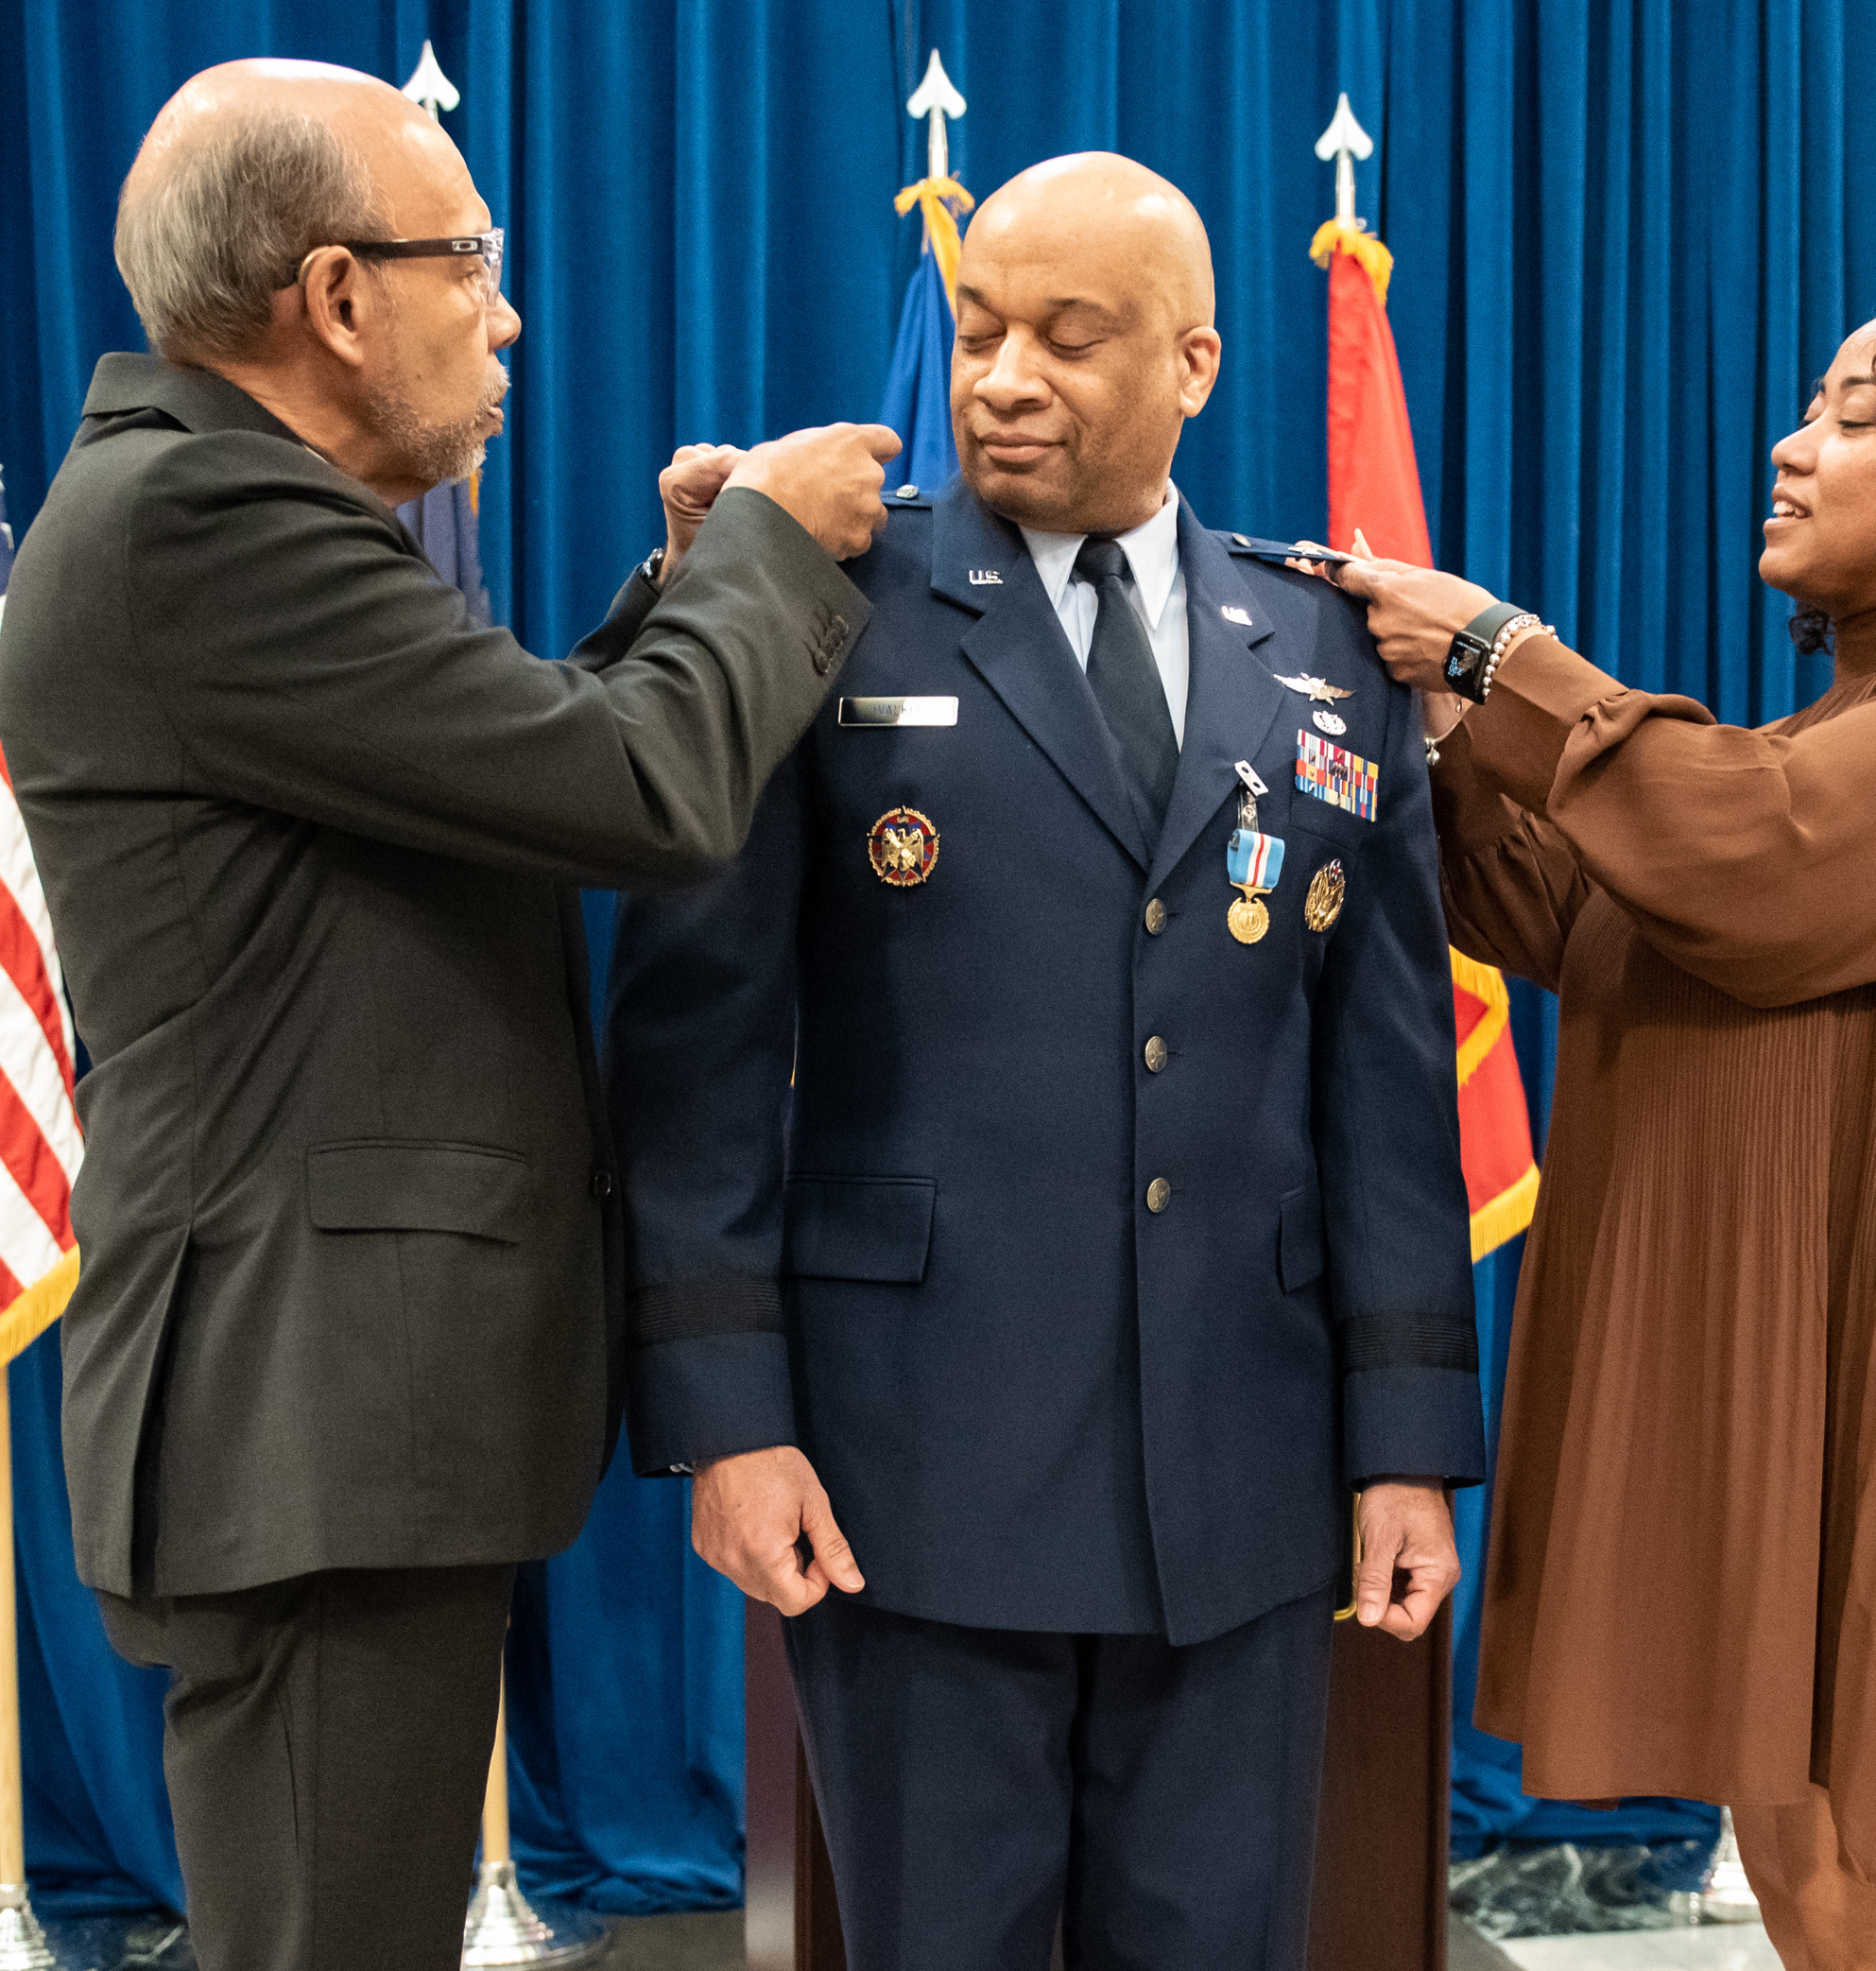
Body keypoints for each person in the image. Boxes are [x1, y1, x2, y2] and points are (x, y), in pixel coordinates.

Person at [0, 59, 899, 1971]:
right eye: (471, 260)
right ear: (333, 295)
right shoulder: (199, 523)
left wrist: (687, 582)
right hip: (307, 1412)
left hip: (340, 1414)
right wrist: (769, 554)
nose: (505, 313)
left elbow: (510, 771)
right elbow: (637, 792)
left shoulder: (224, 507)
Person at [605, 153, 1480, 1971]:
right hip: (908, 1465)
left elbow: (1383, 1089)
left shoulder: (1323, 643)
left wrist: (1405, 1444)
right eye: (985, 326)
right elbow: (698, 1040)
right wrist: (726, 1423)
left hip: (1241, 1477)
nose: (1003, 375)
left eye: (1069, 339)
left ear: (1196, 364)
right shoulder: (824, 603)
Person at [1328, 245, 1876, 1963]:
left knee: (1874, 1883)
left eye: (1858, 415)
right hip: (1807, 1366)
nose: (1795, 445)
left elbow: (1758, 859)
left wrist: (1506, 652)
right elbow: (1599, 918)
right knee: (1800, 1866)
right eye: (1810, 406)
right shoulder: (1851, 712)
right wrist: (1433, 731)